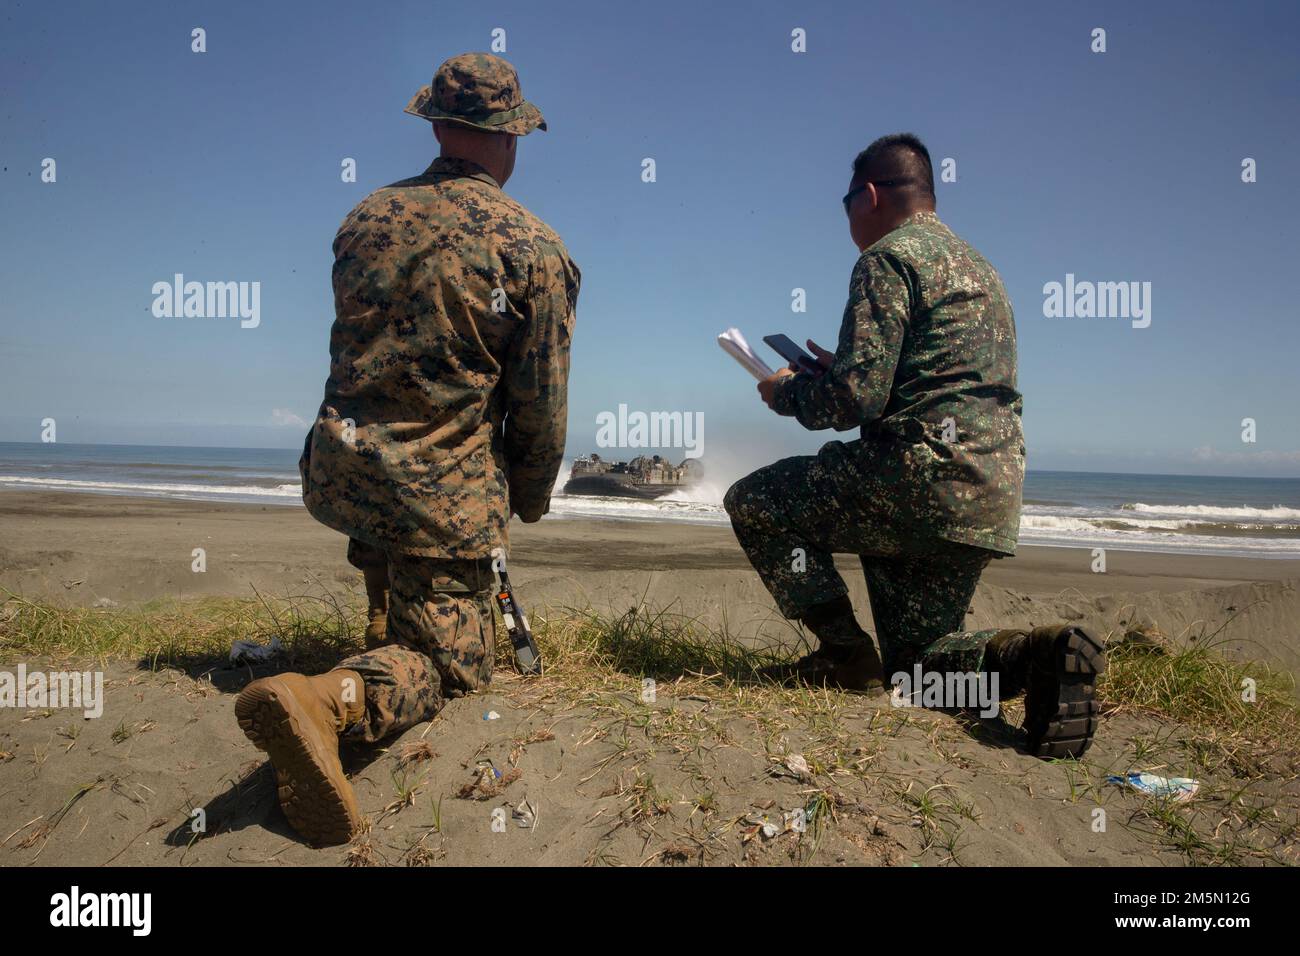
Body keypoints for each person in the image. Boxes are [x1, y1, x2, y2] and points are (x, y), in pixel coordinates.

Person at [235, 53, 580, 845]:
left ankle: (387, 615)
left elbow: (373, 356)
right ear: (511, 136)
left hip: (346, 470)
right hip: (441, 494)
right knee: (455, 668)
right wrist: (526, 497)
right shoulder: (534, 248)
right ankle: (329, 703)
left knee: (399, 567)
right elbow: (540, 405)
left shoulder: (366, 216)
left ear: (434, 125)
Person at [724, 133, 1103, 759]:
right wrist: (841, 369)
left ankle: (844, 657)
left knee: (754, 501)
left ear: (869, 195)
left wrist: (787, 390)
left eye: (846, 203)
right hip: (985, 496)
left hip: (909, 481)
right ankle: (1039, 655)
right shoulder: (983, 269)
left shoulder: (886, 259)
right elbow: (934, 380)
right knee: (919, 674)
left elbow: (854, 401)